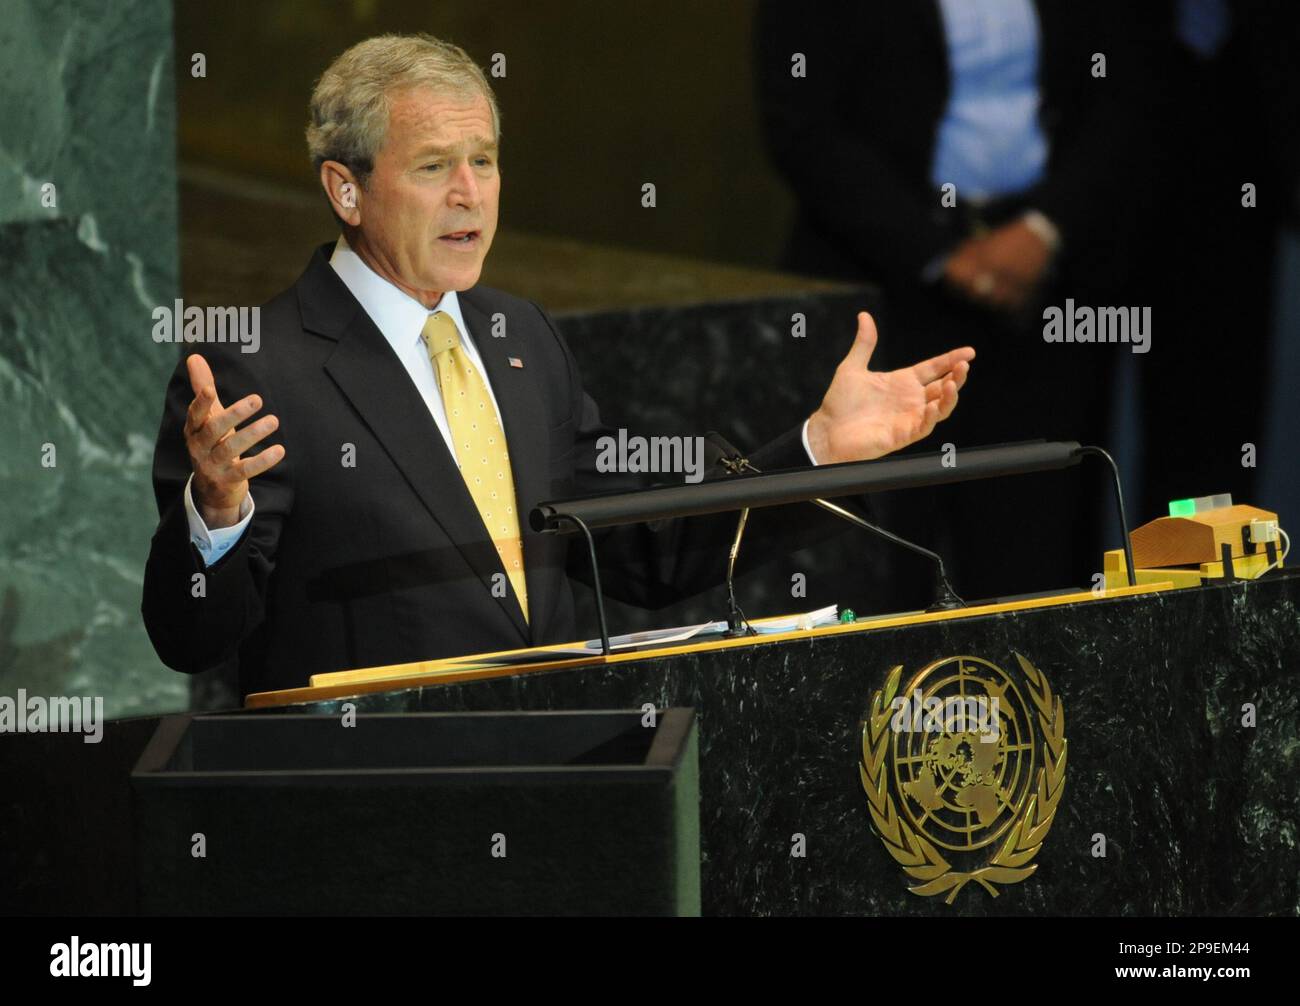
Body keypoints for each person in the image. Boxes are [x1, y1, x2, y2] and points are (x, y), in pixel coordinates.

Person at [142, 34, 974, 697]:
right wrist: (213, 515)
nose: (471, 192)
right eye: (434, 166)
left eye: (486, 159)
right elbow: (193, 639)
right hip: (379, 818)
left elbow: (643, 553)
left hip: (556, 801)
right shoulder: (256, 370)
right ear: (346, 189)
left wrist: (818, 448)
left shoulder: (521, 337)